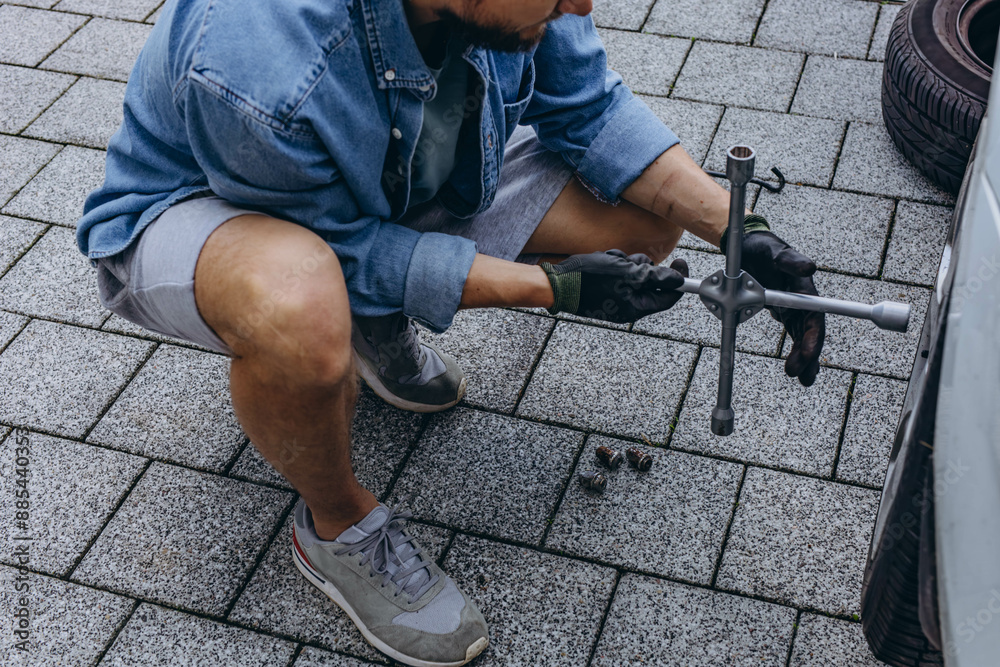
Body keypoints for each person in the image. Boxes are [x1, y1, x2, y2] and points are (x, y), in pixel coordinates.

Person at [76, 0, 826, 663]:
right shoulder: (255, 63)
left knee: (645, 215)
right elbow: (348, 253)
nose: (581, 3)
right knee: (304, 309)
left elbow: (591, 108)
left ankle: (366, 335)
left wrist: (740, 228)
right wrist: (556, 288)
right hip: (203, 213)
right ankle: (337, 525)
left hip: (371, 184)